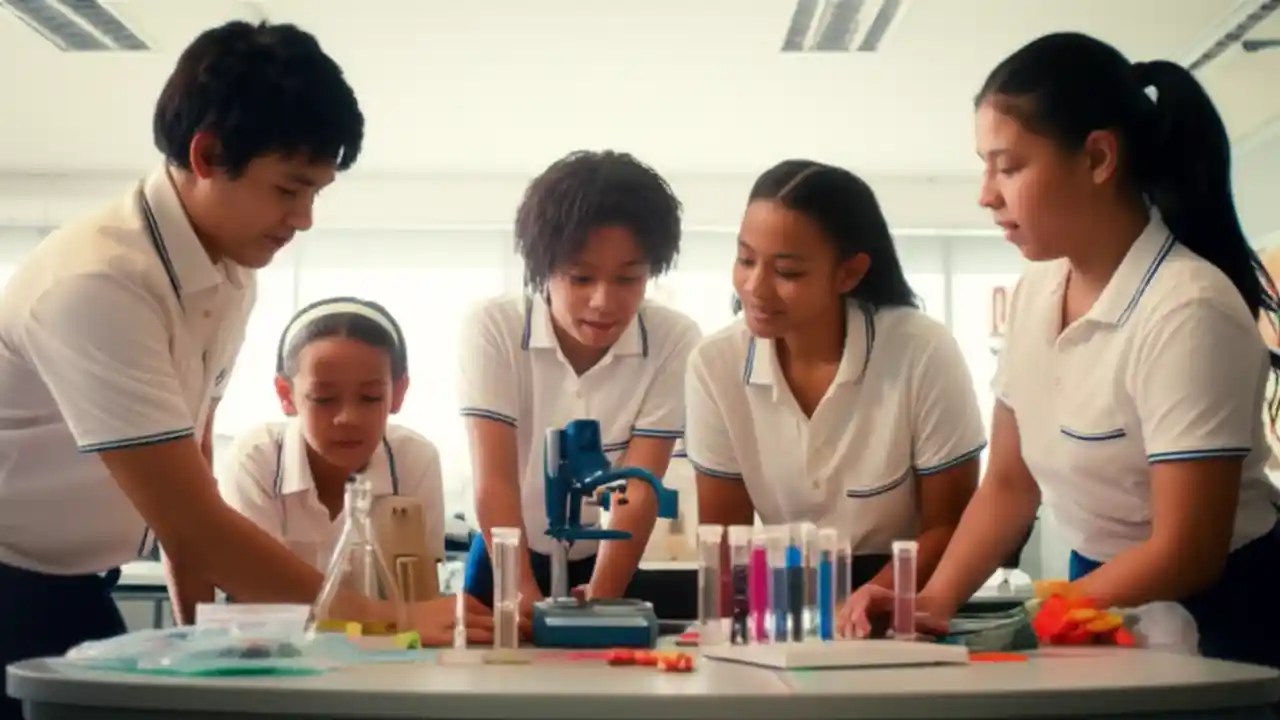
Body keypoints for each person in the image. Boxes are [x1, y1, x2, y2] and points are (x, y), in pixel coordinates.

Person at [0, 21, 479, 709]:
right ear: (208, 154)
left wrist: (195, 638)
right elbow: (193, 518)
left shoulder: (224, 271)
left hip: (72, 583)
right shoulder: (99, 283)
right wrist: (389, 620)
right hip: (14, 578)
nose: (304, 218)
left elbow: (189, 459)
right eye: (289, 190)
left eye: (316, 192)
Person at [841, 32, 1280, 668]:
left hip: (1224, 615)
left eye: (1008, 167)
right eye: (984, 166)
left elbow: (1188, 549)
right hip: (1096, 594)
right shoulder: (1037, 290)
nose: (986, 194)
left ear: (1099, 158)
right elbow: (1010, 485)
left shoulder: (1188, 309)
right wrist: (932, 603)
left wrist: (1032, 619)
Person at [685, 160, 985, 593]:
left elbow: (950, 525)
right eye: (745, 259)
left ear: (849, 273)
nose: (754, 287)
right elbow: (725, 544)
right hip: (781, 597)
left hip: (904, 590)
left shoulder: (921, 350)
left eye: (787, 272)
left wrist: (875, 599)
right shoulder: (714, 364)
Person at [458, 150, 702, 611]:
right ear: (542, 267)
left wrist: (603, 595)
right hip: (506, 550)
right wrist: (520, 593)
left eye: (628, 279)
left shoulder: (674, 339)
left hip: (611, 555)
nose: (602, 302)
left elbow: (638, 484)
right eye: (581, 277)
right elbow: (496, 483)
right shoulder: (494, 328)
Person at [167, 298, 447, 625]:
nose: (347, 418)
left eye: (371, 397)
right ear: (286, 394)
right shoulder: (258, 458)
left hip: (381, 656)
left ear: (398, 393)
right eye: (324, 399)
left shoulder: (415, 459)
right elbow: (255, 588)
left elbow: (420, 594)